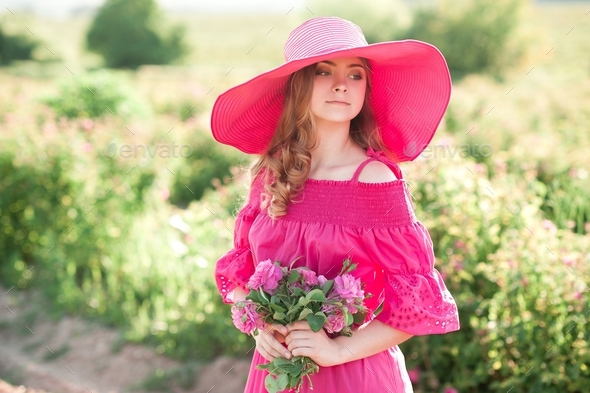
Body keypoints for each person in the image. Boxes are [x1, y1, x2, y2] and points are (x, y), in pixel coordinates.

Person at [211, 16, 460, 393]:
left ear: (365, 90)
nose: (342, 85)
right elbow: (239, 272)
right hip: (278, 368)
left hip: (354, 374)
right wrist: (260, 322)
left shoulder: (375, 180)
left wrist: (339, 350)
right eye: (324, 72)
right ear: (299, 85)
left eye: (355, 74)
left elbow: (413, 307)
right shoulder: (273, 171)